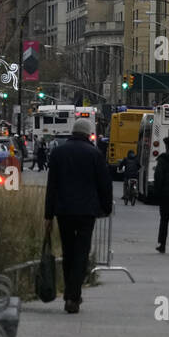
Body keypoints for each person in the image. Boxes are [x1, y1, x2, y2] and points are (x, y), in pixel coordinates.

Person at [44, 117, 112, 313]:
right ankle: (73, 296)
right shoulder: (95, 154)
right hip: (86, 211)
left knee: (68, 252)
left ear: (73, 132)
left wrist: (48, 215)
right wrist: (105, 208)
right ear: (87, 133)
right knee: (81, 253)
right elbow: (104, 184)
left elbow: (52, 187)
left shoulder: (58, 153)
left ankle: (70, 292)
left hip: (63, 211)